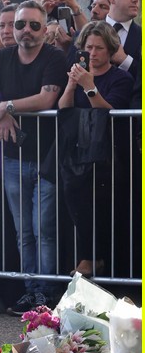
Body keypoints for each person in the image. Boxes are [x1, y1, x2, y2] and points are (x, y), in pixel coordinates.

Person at [0, 0, 68, 313]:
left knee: (44, 229)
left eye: (33, 25)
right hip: (13, 157)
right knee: (24, 231)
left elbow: (47, 98)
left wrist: (8, 106)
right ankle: (31, 290)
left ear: (44, 29)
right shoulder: (4, 56)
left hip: (46, 157)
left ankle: (47, 292)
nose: (26, 30)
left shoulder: (54, 57)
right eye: (20, 24)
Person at [57, 21, 133, 278]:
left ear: (110, 49)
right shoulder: (78, 75)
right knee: (77, 205)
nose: (92, 53)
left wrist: (90, 87)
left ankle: (95, 259)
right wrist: (72, 84)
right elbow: (64, 107)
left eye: (99, 48)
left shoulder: (120, 78)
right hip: (77, 153)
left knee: (102, 209)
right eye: (88, 47)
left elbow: (111, 111)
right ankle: (88, 258)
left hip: (108, 156)